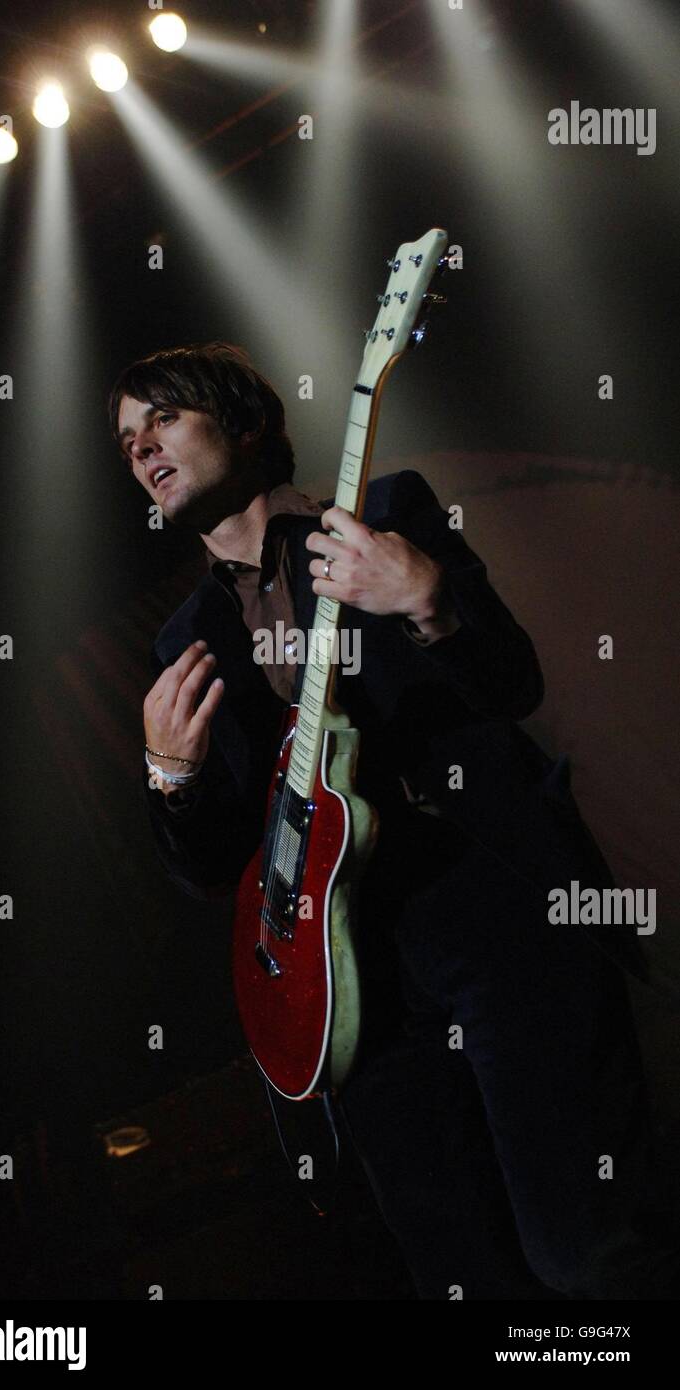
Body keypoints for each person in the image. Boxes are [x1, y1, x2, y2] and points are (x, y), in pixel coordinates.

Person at [108, 340, 679, 1300]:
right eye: (127, 441)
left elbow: (511, 684)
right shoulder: (184, 641)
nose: (141, 448)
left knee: (585, 1252)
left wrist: (428, 602)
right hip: (348, 979)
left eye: (163, 418)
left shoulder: (377, 516)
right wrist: (171, 776)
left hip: (489, 908)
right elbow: (211, 867)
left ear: (241, 423)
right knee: (464, 1276)